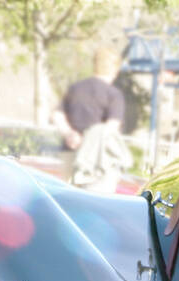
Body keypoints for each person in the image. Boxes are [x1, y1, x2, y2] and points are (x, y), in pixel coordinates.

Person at [53, 47, 131, 192]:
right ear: (115, 69)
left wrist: (69, 134)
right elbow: (111, 127)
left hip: (70, 154)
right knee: (95, 206)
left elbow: (58, 115)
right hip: (97, 161)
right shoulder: (113, 95)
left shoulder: (75, 88)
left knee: (68, 200)